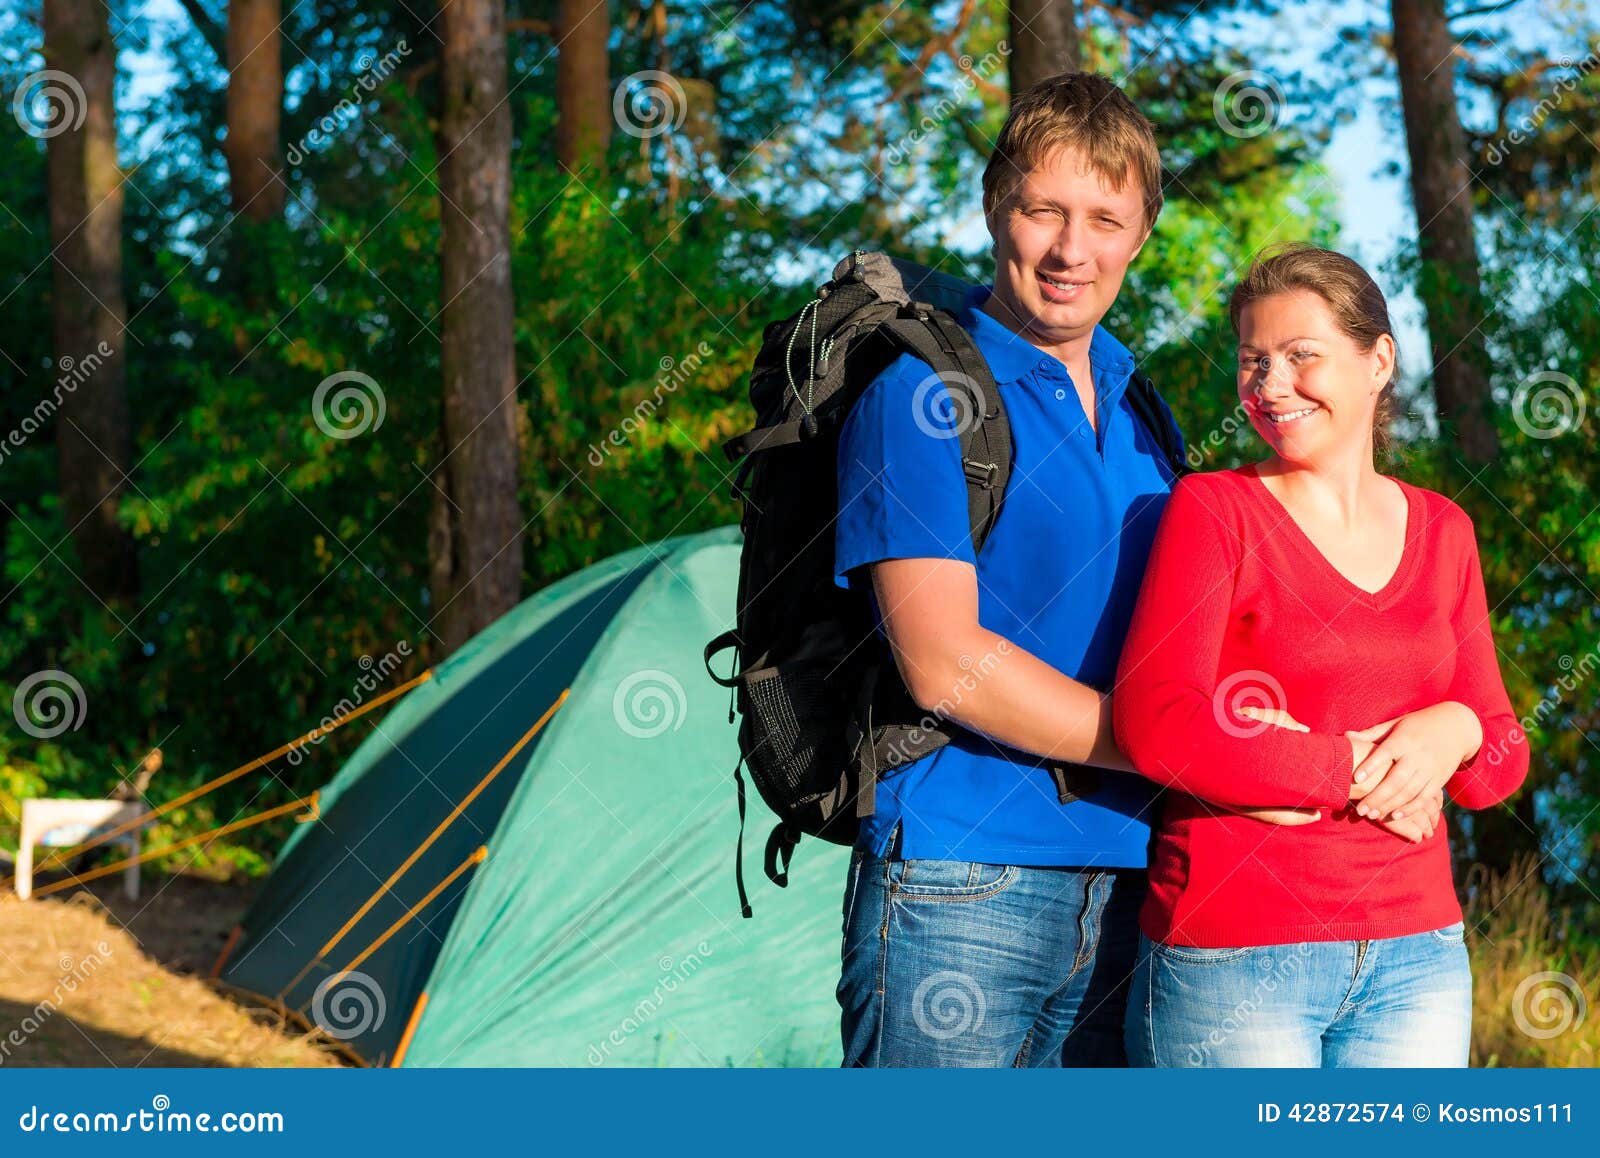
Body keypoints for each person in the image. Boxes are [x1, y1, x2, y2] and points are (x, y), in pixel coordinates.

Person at [831, 72, 1184, 1068]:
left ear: (1140, 236)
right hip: (958, 880)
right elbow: (943, 664)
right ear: (996, 210)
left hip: (1135, 884)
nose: (1072, 250)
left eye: (1105, 219)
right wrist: (1170, 745)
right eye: (1043, 211)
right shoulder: (919, 397)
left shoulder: (1146, 414)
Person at [1113, 242, 1530, 1067]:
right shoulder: (1213, 510)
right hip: (1235, 955)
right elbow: (1155, 721)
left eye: (1303, 356)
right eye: (1253, 360)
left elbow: (1497, 767)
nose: (1270, 385)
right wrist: (1346, 767)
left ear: (1378, 362)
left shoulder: (1446, 531)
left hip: (1418, 956)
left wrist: (1453, 729)